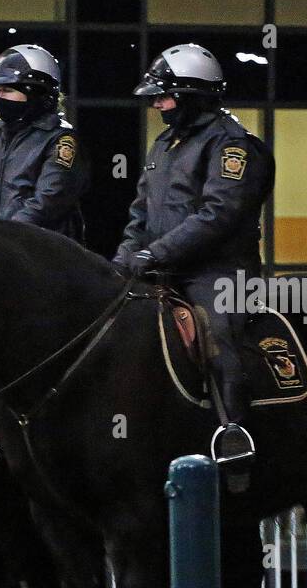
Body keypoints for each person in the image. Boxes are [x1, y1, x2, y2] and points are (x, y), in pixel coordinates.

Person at [111, 42, 274, 470]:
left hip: (220, 275)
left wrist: (154, 254)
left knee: (214, 334)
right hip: (159, 268)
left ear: (195, 95)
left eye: (167, 96)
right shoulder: (165, 145)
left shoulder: (235, 146)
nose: (159, 105)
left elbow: (218, 214)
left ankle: (233, 432)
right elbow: (139, 213)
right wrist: (124, 258)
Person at [0, 44, 88, 241]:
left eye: (7, 90)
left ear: (36, 92)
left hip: (40, 252)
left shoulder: (61, 139)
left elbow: (49, 200)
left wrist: (3, 236)